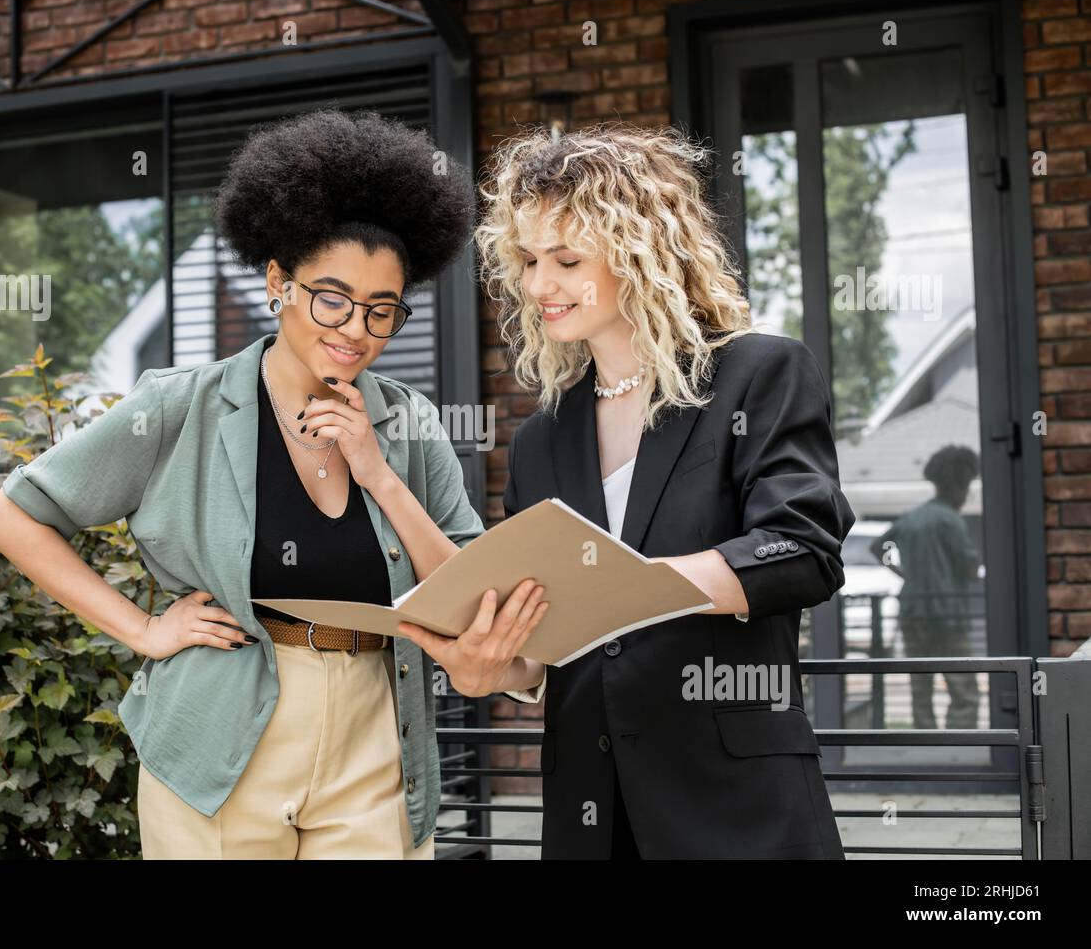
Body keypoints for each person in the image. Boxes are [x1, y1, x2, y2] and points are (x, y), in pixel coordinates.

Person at [0, 108, 546, 859]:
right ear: (279, 281)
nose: (356, 329)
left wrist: (379, 474)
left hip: (374, 733)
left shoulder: (408, 424)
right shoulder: (179, 407)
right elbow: (13, 516)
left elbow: (472, 599)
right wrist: (143, 631)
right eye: (332, 297)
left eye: (383, 311)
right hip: (219, 737)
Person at [407, 121, 857, 858]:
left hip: (737, 806)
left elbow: (801, 550)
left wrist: (627, 588)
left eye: (566, 258)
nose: (538, 285)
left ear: (640, 252)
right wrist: (490, 664)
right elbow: (546, 648)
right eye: (526, 259)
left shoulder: (760, 373)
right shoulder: (541, 439)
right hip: (590, 812)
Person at [871, 445, 982, 730]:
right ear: (959, 485)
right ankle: (961, 739)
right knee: (963, 686)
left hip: (912, 609)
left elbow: (877, 546)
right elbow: (970, 568)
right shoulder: (950, 520)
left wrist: (903, 573)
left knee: (920, 683)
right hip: (949, 613)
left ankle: (925, 738)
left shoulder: (911, 517)